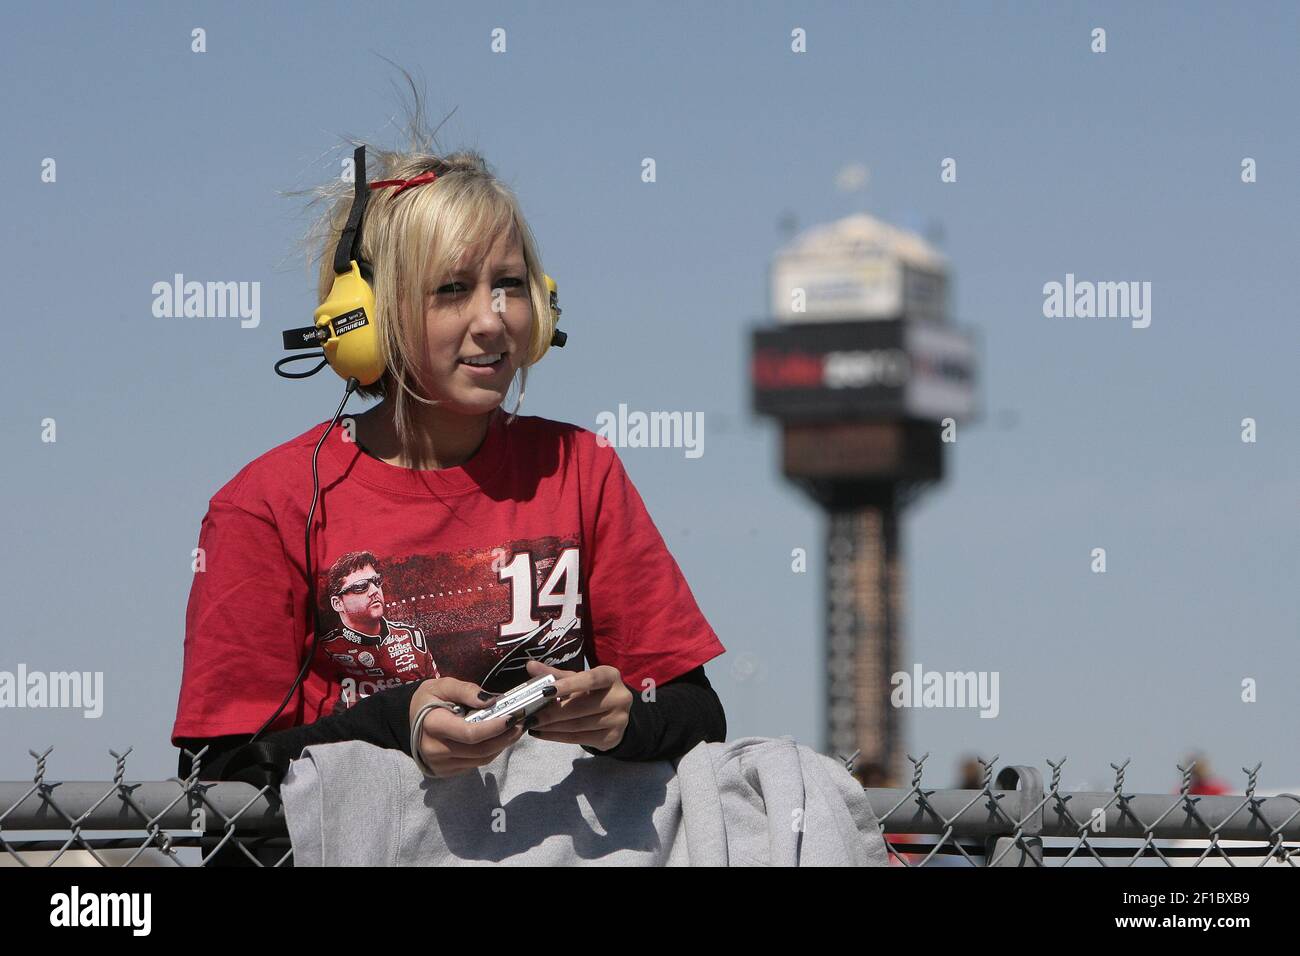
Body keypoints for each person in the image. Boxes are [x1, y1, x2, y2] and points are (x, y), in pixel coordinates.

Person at [170, 101, 728, 841]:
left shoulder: (582, 469)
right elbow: (221, 771)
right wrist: (401, 724)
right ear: (369, 319)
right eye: (452, 290)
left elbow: (698, 712)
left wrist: (622, 717)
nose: (494, 319)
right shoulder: (262, 505)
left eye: (510, 284)